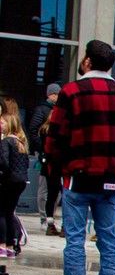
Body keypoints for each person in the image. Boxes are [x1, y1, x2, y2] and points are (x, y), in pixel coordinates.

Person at [43, 39, 115, 275]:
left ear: (87, 62)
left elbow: (56, 134)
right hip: (111, 177)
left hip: (78, 174)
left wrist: (53, 168)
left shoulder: (72, 92)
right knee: (108, 239)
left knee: (75, 238)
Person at [30, 83, 61, 228]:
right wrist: (41, 149)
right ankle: (44, 217)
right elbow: (34, 130)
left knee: (55, 189)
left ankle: (50, 215)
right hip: (45, 154)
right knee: (45, 187)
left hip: (54, 156)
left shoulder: (59, 110)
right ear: (50, 94)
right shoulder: (42, 110)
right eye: (56, 94)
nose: (57, 97)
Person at [0, 113, 29, 258]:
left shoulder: (6, 141)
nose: (0, 125)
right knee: (10, 214)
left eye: (2, 123)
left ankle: (2, 245)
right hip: (20, 182)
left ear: (10, 124)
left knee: (1, 213)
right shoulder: (21, 142)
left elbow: (4, 162)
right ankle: (11, 246)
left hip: (8, 181)